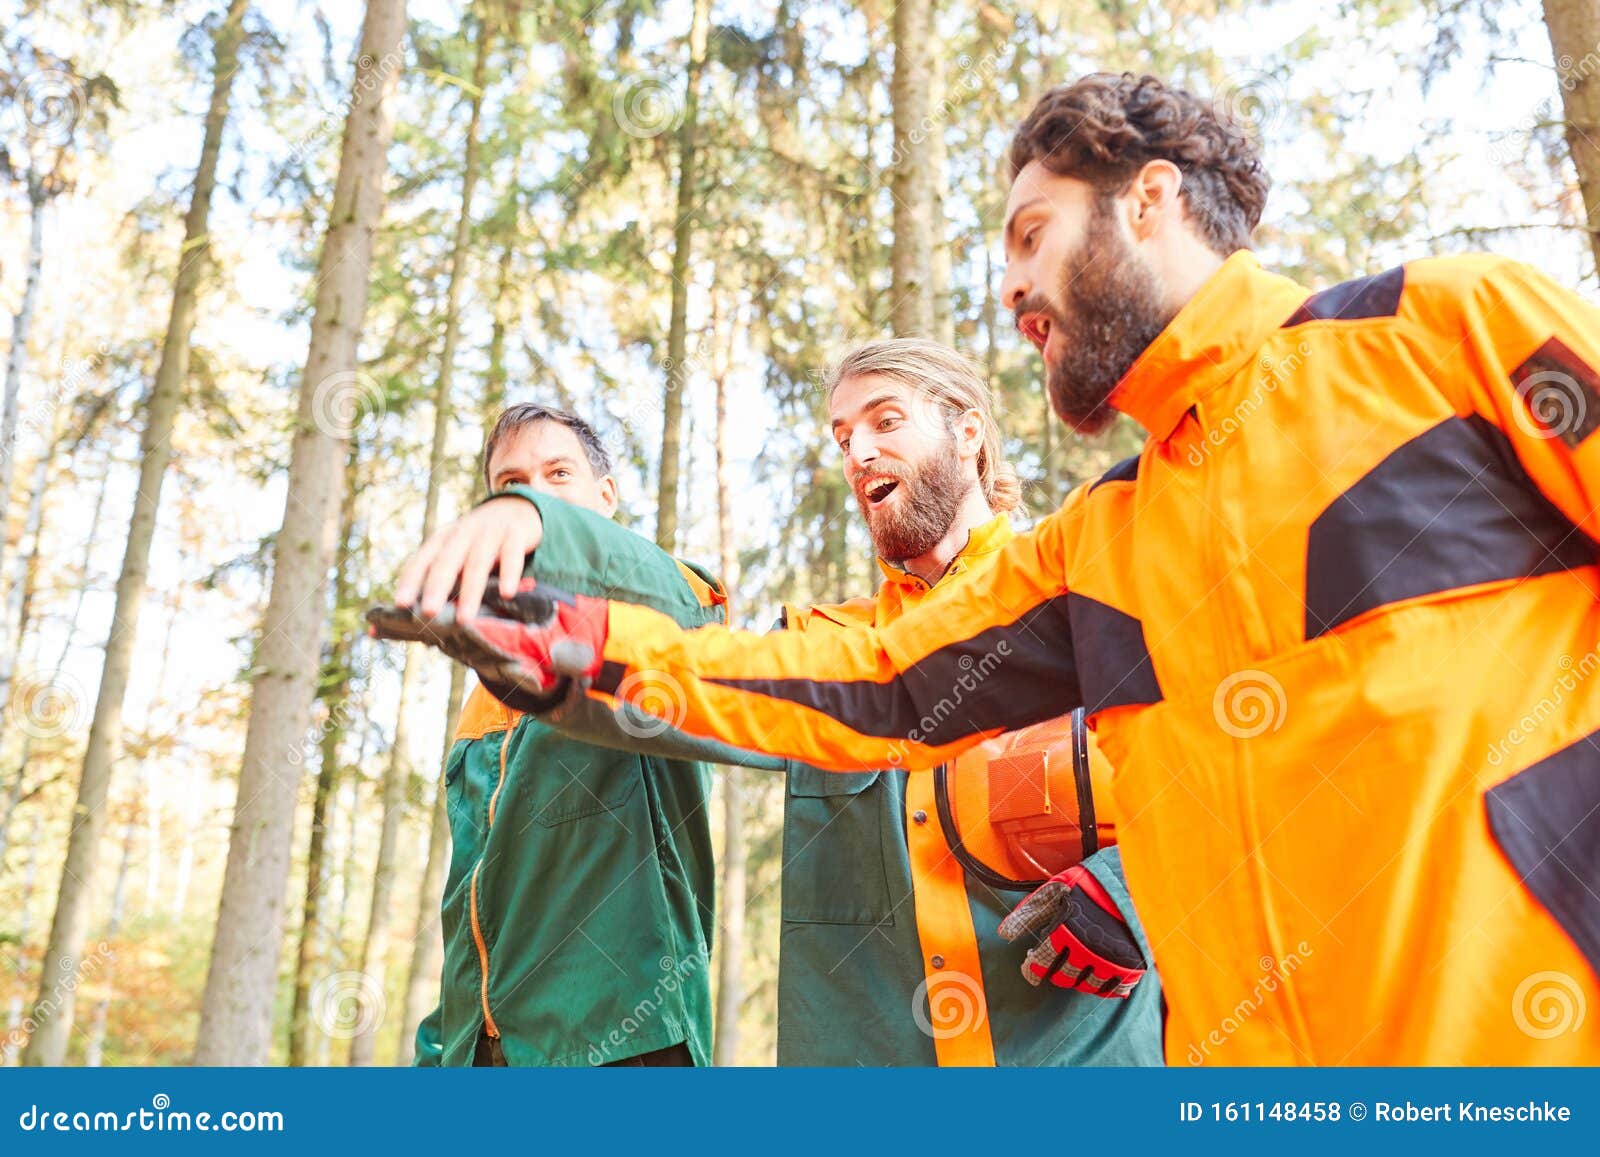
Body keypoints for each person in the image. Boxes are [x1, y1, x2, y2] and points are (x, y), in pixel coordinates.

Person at [391, 73, 1600, 1065]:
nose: (1012, 286)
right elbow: (876, 679)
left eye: (1033, 235)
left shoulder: (1443, 334)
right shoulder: (1105, 541)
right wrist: (592, 649)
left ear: (1150, 201)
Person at [402, 339, 1162, 1064]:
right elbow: (694, 696)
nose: (857, 452)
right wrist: (555, 657)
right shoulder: (821, 646)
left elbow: (1220, 760)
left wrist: (1132, 888)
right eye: (842, 437)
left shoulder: (1078, 599)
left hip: (1077, 1061)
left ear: (969, 433)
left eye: (885, 421)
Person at [408, 403, 725, 1067]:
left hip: (625, 1041)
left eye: (558, 474)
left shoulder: (665, 606)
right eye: (511, 482)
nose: (531, 492)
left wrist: (543, 523)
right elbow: (470, 893)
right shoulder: (484, 690)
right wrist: (443, 1043)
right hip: (487, 1051)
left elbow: (684, 602)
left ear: (604, 498)